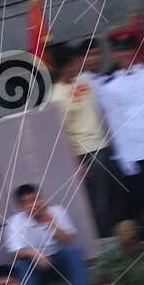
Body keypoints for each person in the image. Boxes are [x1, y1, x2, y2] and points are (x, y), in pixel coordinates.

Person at [95, 27, 144, 218]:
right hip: (136, 153)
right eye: (119, 51)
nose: (125, 54)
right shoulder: (109, 87)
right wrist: (125, 158)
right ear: (114, 54)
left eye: (128, 49)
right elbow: (115, 124)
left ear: (137, 50)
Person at [49, 42, 116, 236]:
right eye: (72, 64)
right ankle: (106, 239)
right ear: (62, 68)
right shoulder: (55, 96)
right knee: (100, 200)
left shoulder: (84, 81)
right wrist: (77, 163)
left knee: (114, 192)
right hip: (86, 152)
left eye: (76, 62)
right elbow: (60, 133)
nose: (76, 66)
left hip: (104, 145)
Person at [5, 183, 92, 285]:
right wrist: (35, 254)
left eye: (36, 199)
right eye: (27, 202)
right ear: (21, 206)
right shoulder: (15, 222)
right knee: (21, 265)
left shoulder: (57, 211)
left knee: (73, 251)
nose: (34, 204)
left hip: (59, 261)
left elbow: (68, 240)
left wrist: (50, 222)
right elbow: (14, 252)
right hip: (35, 267)